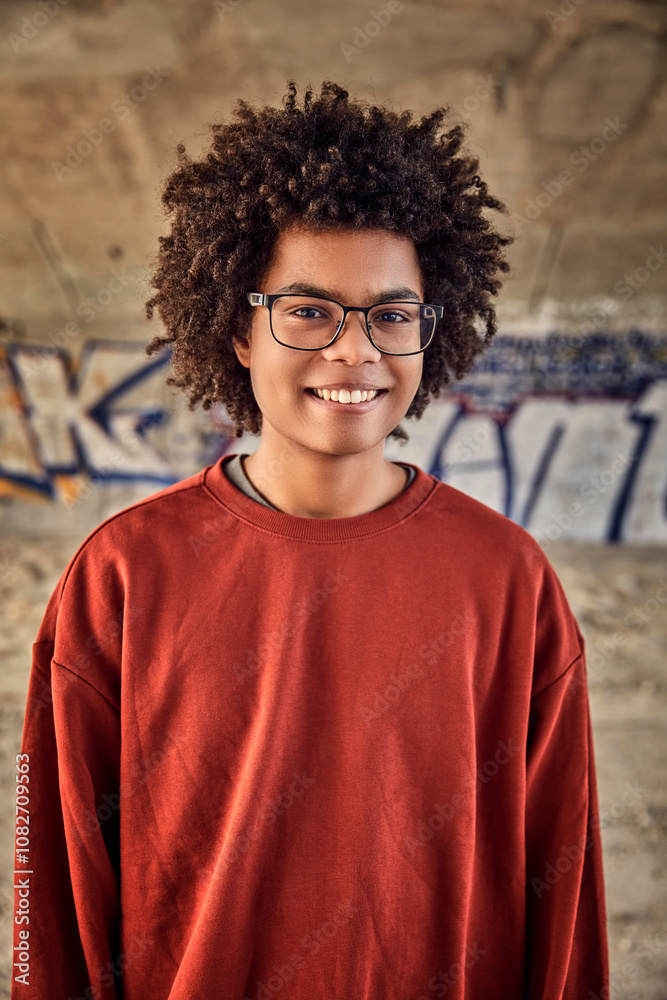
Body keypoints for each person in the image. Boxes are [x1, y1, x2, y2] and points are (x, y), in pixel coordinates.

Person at [12, 79, 609, 1000]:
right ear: (238, 330)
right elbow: (50, 888)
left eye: (391, 314)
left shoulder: (506, 578)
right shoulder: (125, 573)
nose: (354, 351)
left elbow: (562, 896)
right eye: (307, 310)